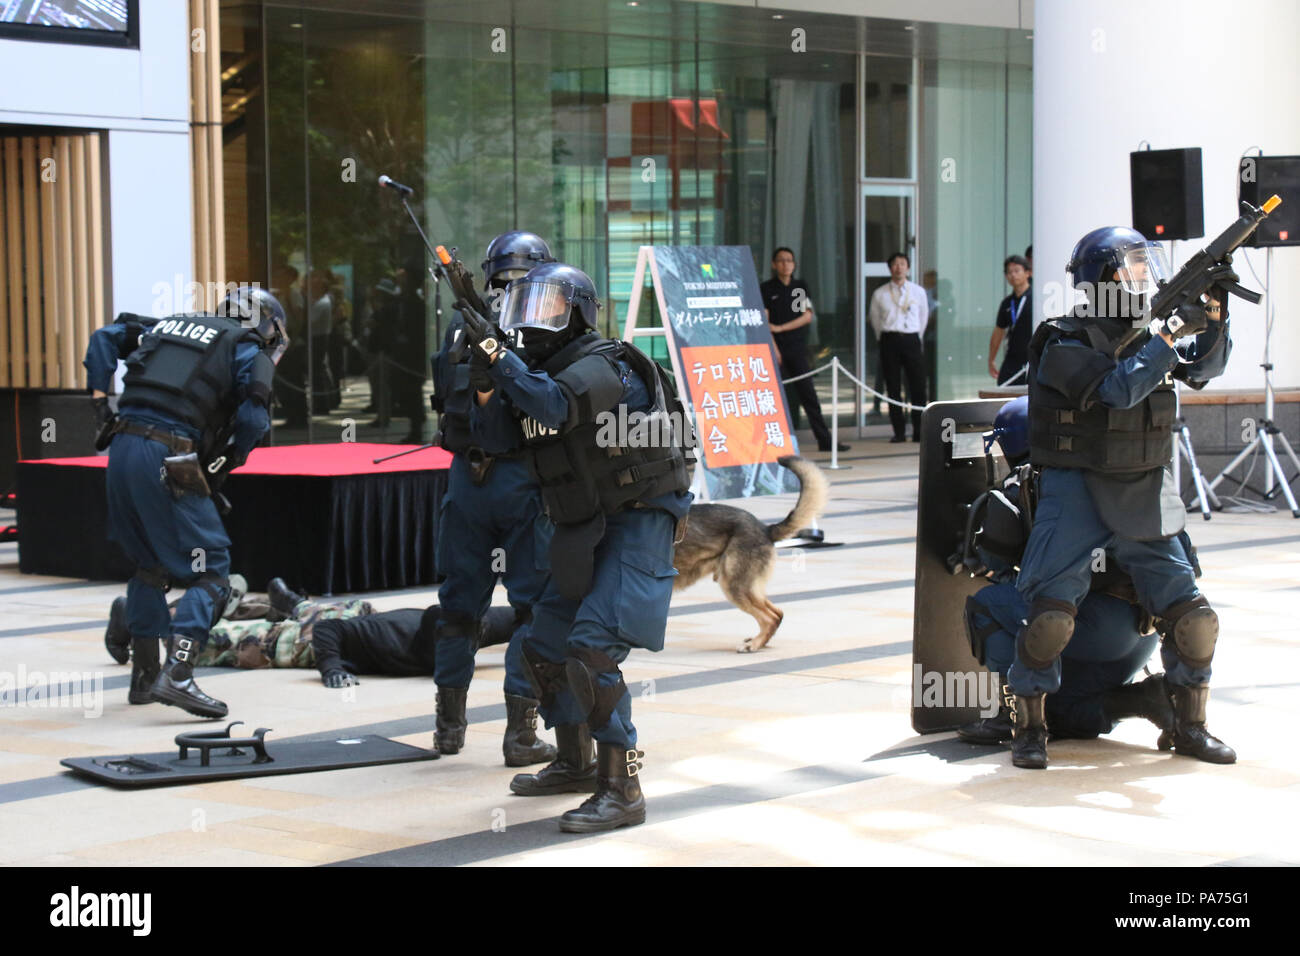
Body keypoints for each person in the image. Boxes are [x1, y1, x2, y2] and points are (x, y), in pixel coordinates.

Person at [467, 260, 694, 832]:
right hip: (580, 525)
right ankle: (575, 760)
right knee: (543, 645)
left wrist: (505, 360)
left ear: (580, 311)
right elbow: (495, 440)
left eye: (547, 306)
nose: (533, 320)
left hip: (637, 520)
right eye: (524, 307)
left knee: (593, 650)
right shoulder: (534, 372)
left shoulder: (604, 365)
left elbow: (558, 406)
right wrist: (487, 378)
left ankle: (624, 788)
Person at [1009, 225, 1236, 769]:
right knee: (1050, 620)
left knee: (1193, 617)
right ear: (1103, 276)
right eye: (1132, 265)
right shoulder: (1062, 340)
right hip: (1078, 489)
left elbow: (1204, 368)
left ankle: (1190, 726)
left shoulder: (1150, 333)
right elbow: (1117, 390)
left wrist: (1214, 321)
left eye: (1143, 263)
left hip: (1143, 489)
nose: (1143, 274)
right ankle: (1030, 728)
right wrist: (1166, 336)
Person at [83, 286, 287, 718]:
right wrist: (226, 462)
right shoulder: (246, 346)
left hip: (120, 447)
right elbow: (253, 419)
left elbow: (103, 338)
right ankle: (178, 675)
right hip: (169, 454)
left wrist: (100, 404)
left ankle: (144, 679)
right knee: (212, 572)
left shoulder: (167, 326)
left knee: (149, 566)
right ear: (266, 325)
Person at [954, 398, 1177, 746]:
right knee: (1062, 713)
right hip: (1143, 633)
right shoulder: (1125, 475)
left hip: (1087, 630)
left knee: (987, 605)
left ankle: (1008, 716)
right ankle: (1148, 699)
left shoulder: (1028, 483)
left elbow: (989, 562)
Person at [427, 230, 559, 768]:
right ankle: (520, 734)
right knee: (531, 606)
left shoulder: (461, 327)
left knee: (458, 608)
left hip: (465, 479)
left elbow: (442, 390)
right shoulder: (546, 324)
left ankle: (448, 729)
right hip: (521, 478)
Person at [103, 582, 528, 690]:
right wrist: (332, 671)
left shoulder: (462, 628)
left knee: (337, 614)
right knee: (219, 642)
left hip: (358, 618)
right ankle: (140, 620)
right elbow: (329, 633)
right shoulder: (391, 639)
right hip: (322, 639)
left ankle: (288, 604)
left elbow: (513, 618)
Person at [760, 247, 847, 453]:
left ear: (794, 264)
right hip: (775, 349)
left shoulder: (799, 288)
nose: (785, 264)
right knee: (775, 397)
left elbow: (806, 316)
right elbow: (764, 320)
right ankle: (776, 443)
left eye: (789, 260)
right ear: (774, 264)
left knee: (808, 395)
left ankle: (825, 441)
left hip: (797, 348)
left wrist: (781, 328)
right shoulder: (767, 288)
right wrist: (774, 347)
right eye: (781, 260)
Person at [868, 252, 928, 442]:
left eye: (902, 264)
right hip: (889, 340)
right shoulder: (880, 293)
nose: (899, 267)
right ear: (890, 268)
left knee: (917, 386)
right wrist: (884, 337)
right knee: (892, 386)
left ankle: (920, 431)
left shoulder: (918, 291)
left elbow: (923, 317)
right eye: (895, 264)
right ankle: (899, 432)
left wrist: (916, 335)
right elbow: (875, 320)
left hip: (911, 339)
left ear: (908, 268)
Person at [987, 255, 1033, 385]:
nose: (1013, 275)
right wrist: (991, 359)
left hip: (1032, 358)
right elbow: (998, 331)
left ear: (1027, 273)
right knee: (1004, 388)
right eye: (1009, 272)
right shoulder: (1007, 303)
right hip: (1013, 358)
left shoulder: (1036, 299)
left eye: (1017, 271)